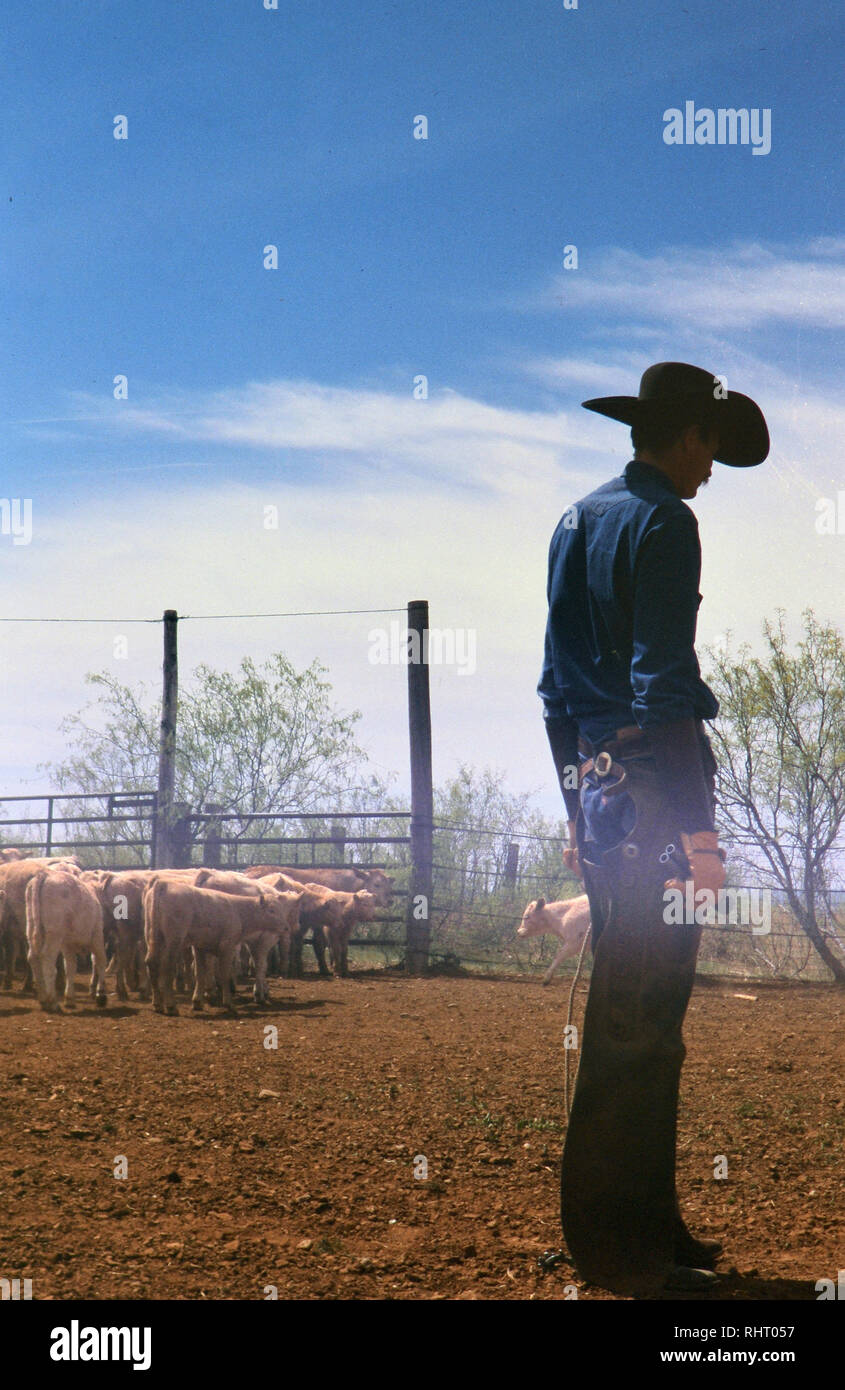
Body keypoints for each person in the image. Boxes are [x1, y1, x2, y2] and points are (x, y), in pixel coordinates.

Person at [538, 361, 769, 1296]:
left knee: (635, 1014)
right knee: (643, 1018)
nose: (710, 469)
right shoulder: (665, 522)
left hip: (601, 796)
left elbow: (556, 688)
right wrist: (701, 836)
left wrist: (572, 805)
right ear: (688, 437)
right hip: (654, 795)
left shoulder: (577, 519)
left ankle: (641, 1224)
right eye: (710, 448)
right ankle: (623, 1250)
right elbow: (663, 682)